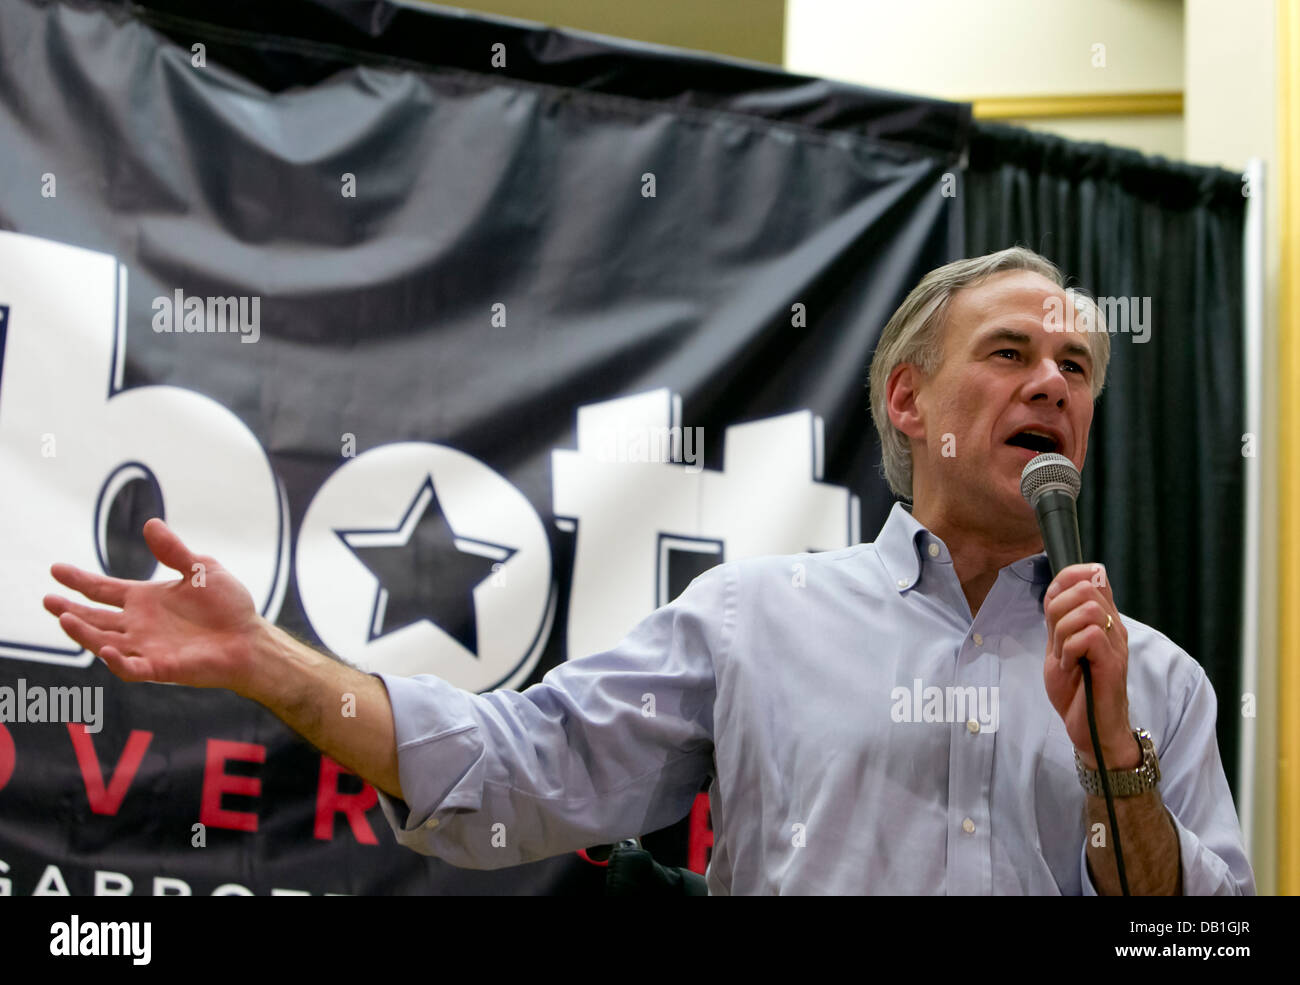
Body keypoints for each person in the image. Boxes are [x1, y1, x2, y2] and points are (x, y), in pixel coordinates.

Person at [43, 246, 1255, 895]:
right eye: (1010, 351)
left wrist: (1118, 770)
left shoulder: (1158, 681)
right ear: (907, 398)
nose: (1054, 381)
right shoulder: (753, 620)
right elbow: (514, 770)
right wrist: (272, 665)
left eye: (1079, 366)